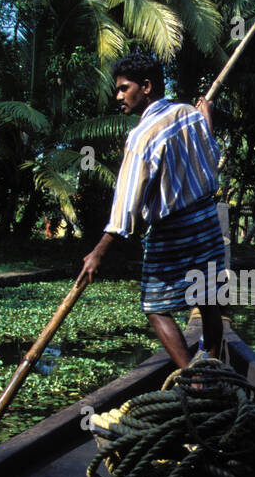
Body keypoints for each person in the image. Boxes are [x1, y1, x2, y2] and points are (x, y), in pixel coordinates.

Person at [77, 53, 226, 370]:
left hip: (174, 229)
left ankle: (190, 376)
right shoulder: (190, 114)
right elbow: (212, 160)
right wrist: (206, 117)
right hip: (208, 221)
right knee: (209, 297)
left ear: (146, 87)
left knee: (155, 306)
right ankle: (211, 373)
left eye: (123, 88)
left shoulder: (142, 136)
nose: (118, 96)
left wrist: (99, 251)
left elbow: (127, 201)